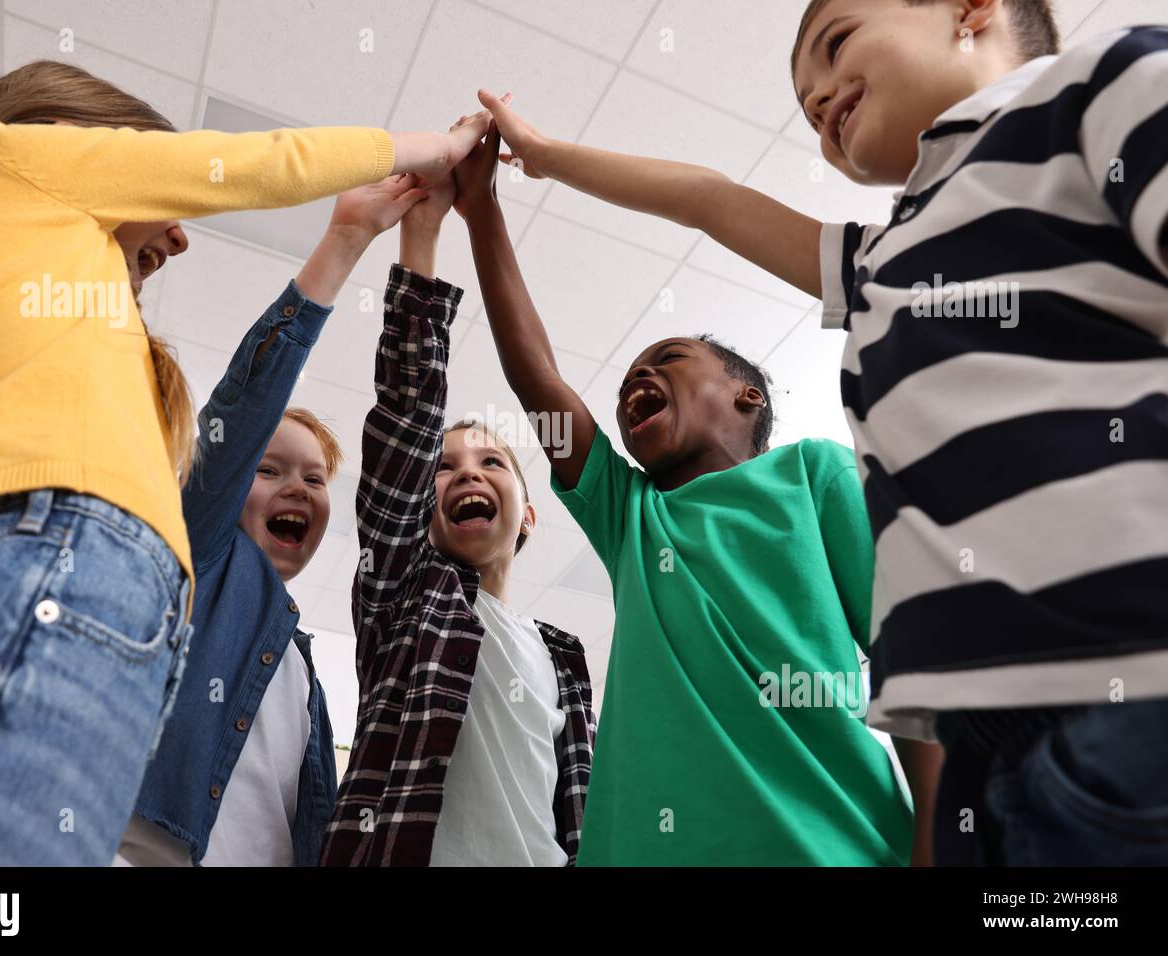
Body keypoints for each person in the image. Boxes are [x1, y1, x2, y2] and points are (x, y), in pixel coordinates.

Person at [476, 0, 1168, 865]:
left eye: (836, 44)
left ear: (972, 9)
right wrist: (510, 187)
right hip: (1007, 753)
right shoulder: (881, 264)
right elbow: (708, 202)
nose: (820, 103)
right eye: (804, 106)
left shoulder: (1102, 88)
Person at [0, 59, 488, 865]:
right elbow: (264, 164)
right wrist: (439, 147)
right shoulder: (15, 155)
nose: (180, 232)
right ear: (71, 143)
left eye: (311, 476)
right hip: (48, 565)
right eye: (154, 189)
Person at [451, 117, 915, 865]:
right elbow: (535, 377)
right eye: (629, 375)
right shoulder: (630, 516)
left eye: (667, 358)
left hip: (829, 848)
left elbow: (920, 666)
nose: (638, 376)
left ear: (746, 399)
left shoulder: (813, 475)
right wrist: (483, 212)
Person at [115, 176, 425, 867]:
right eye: (269, 469)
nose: (300, 489)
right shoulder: (196, 556)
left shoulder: (301, 669)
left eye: (316, 479)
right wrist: (346, 241)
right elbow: (245, 405)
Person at [320, 137, 596, 866]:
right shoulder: (403, 598)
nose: (466, 474)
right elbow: (407, 415)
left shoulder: (563, 657)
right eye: (444, 469)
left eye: (493, 461)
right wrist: (425, 222)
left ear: (528, 514)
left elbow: (580, 816)